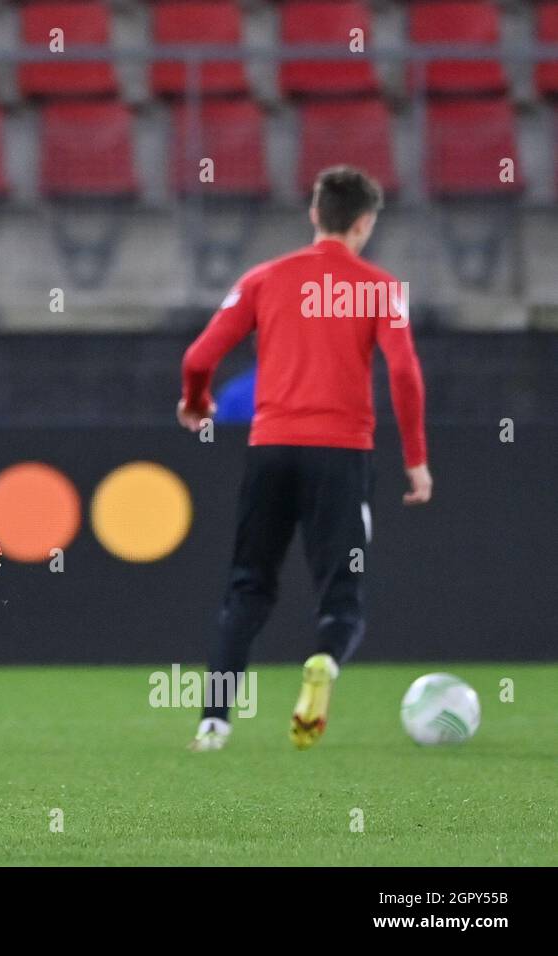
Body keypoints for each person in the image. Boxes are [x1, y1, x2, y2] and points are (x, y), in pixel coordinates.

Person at [177, 165, 431, 753]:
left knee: (248, 589)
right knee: (341, 596)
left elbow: (198, 356)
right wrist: (416, 460)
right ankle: (320, 662)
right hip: (341, 458)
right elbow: (406, 375)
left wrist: (196, 404)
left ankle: (214, 723)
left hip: (271, 450)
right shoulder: (379, 289)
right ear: (364, 223)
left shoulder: (266, 279)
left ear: (315, 213)